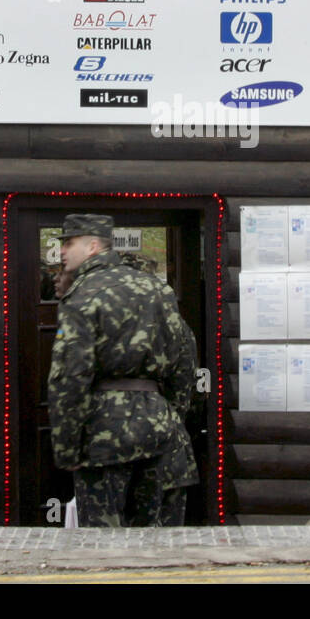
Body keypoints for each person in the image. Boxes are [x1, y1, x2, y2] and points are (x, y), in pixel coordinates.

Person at [48, 214, 196, 526]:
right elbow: (184, 362)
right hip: (161, 429)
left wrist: (67, 449)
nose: (62, 251)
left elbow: (70, 377)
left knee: (104, 547)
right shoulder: (158, 289)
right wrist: (172, 417)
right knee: (158, 544)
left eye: (68, 243)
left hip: (104, 435)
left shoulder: (83, 295)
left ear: (92, 246)